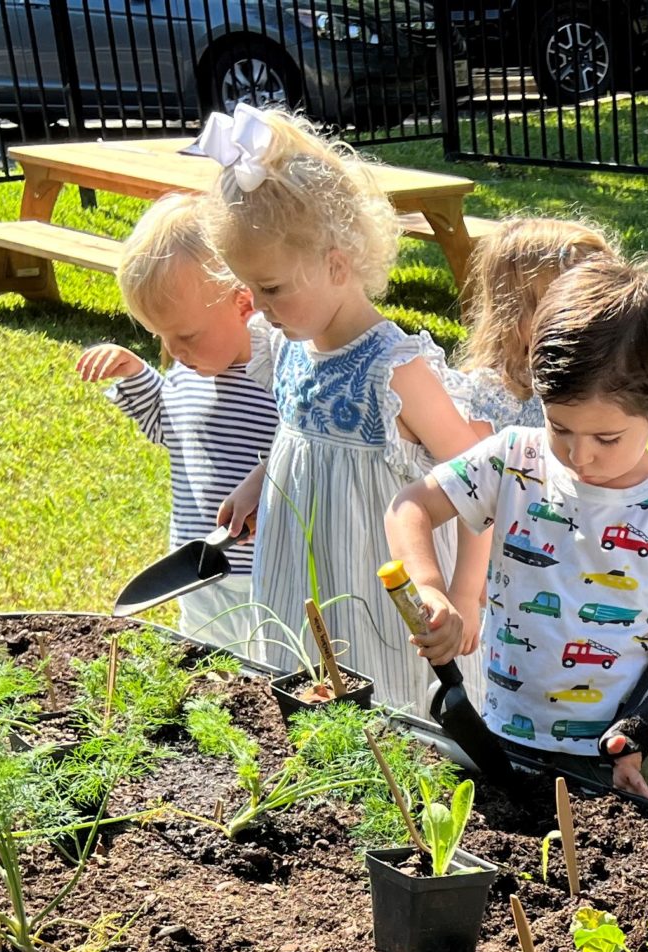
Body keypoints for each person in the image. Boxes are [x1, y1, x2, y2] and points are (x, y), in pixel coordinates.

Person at [382, 260, 648, 799]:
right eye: (559, 426)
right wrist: (428, 587)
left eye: (607, 438)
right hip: (499, 731)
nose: (579, 455)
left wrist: (638, 731)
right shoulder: (514, 458)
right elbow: (409, 507)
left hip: (611, 759)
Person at [195, 105, 486, 712]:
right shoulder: (291, 345)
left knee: (388, 709)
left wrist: (463, 591)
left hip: (374, 582)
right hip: (304, 569)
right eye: (251, 289)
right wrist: (258, 482)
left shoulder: (393, 369)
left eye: (272, 288)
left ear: (337, 262)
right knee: (309, 685)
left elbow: (480, 480)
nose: (261, 308)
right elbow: (295, 428)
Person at [73, 193, 280, 666]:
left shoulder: (277, 372)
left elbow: (303, 454)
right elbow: (169, 429)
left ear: (243, 303)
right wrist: (135, 374)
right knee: (211, 668)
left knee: (272, 667)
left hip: (266, 573)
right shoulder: (189, 372)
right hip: (198, 569)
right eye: (160, 338)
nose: (175, 351)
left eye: (185, 336)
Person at [443, 215, 617, 436]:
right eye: (578, 308)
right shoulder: (488, 396)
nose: (597, 319)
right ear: (519, 315)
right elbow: (473, 466)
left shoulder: (600, 378)